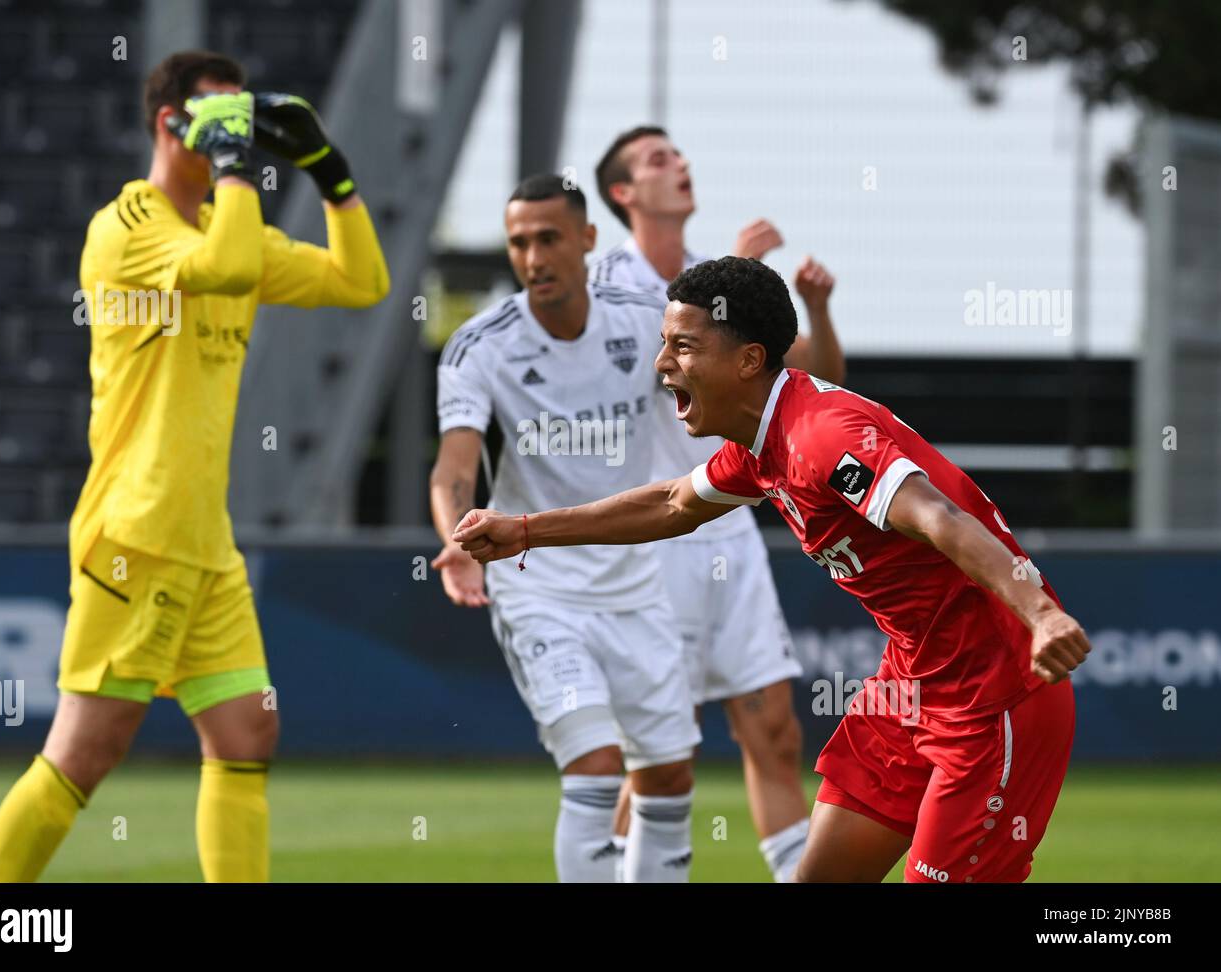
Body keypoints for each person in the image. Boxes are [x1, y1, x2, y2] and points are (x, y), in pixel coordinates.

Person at [453, 256, 1090, 883]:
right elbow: (673, 504)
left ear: (748, 360)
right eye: (663, 343)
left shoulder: (820, 437)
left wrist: (1042, 614)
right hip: (912, 688)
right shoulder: (761, 446)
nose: (662, 364)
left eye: (683, 346)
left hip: (999, 696)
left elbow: (941, 519)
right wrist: (525, 530)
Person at [0, 50, 390, 883]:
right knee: (87, 752)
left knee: (245, 733)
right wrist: (234, 166)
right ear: (171, 124)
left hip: (204, 541)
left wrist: (328, 172)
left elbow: (363, 279)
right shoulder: (127, 229)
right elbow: (227, 269)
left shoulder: (222, 228)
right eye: (218, 118)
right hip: (138, 531)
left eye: (243, 119)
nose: (239, 134)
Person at [590, 125, 845, 880]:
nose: (681, 165)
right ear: (624, 194)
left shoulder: (718, 283)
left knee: (774, 732)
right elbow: (648, 380)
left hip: (726, 530)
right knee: (661, 756)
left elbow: (817, 382)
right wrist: (736, 284)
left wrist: (812, 309)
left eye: (680, 155)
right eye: (658, 160)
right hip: (651, 533)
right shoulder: (606, 286)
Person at [429, 175, 698, 882]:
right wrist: (457, 543)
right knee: (596, 766)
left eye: (549, 238)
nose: (533, 256)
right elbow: (453, 470)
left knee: (667, 779)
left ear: (586, 240)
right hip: (537, 586)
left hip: (636, 587)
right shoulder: (478, 346)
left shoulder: (647, 320)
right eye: (518, 242)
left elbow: (729, 388)